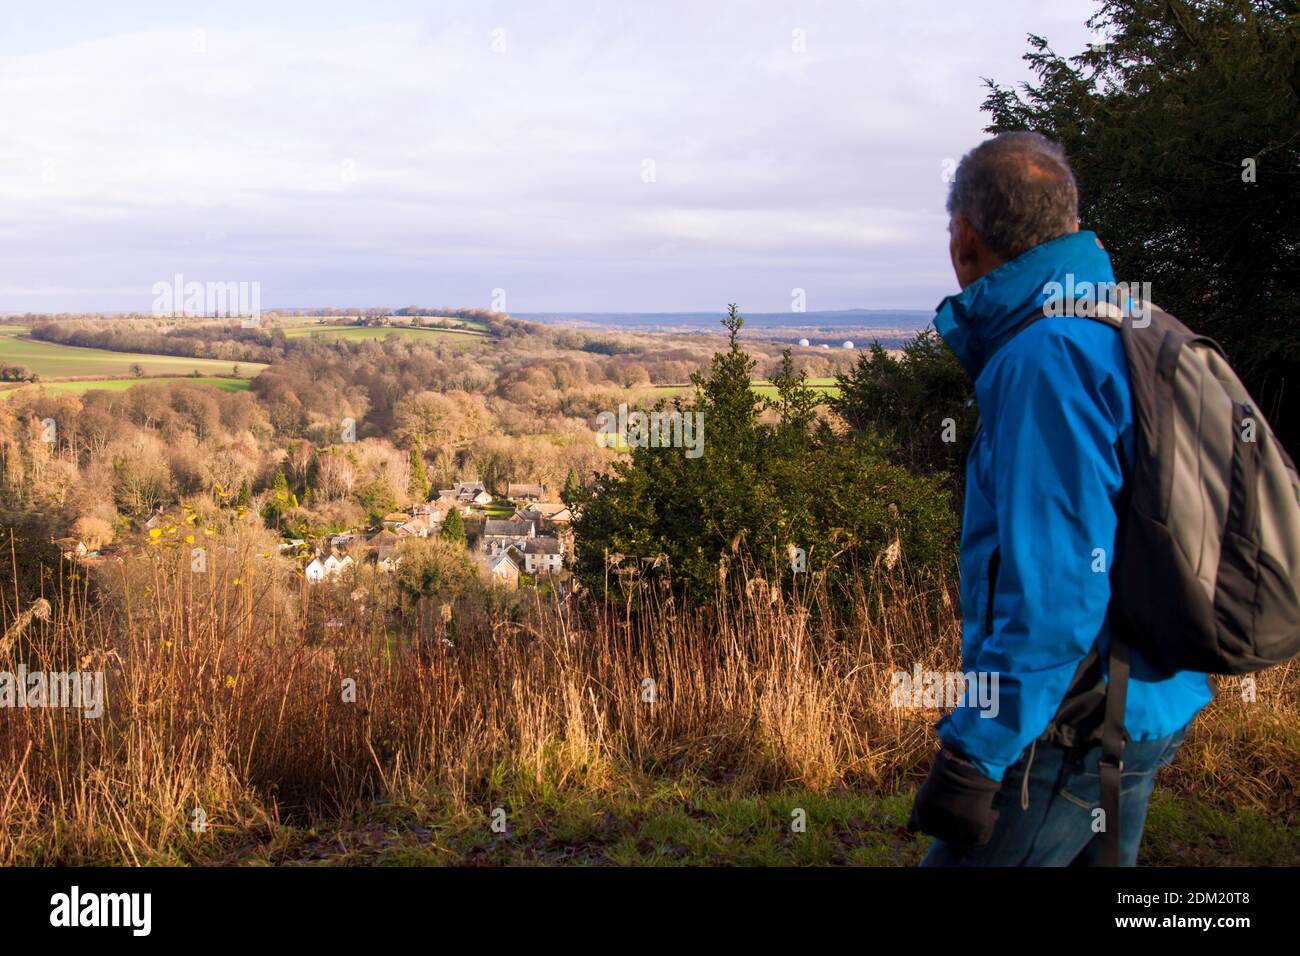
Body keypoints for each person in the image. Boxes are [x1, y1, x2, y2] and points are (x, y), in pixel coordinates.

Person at [908, 131, 1213, 866]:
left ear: (965, 239)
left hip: (1062, 731)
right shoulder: (1129, 322)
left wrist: (975, 753)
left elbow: (1056, 591)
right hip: (1144, 701)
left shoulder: (1046, 359)